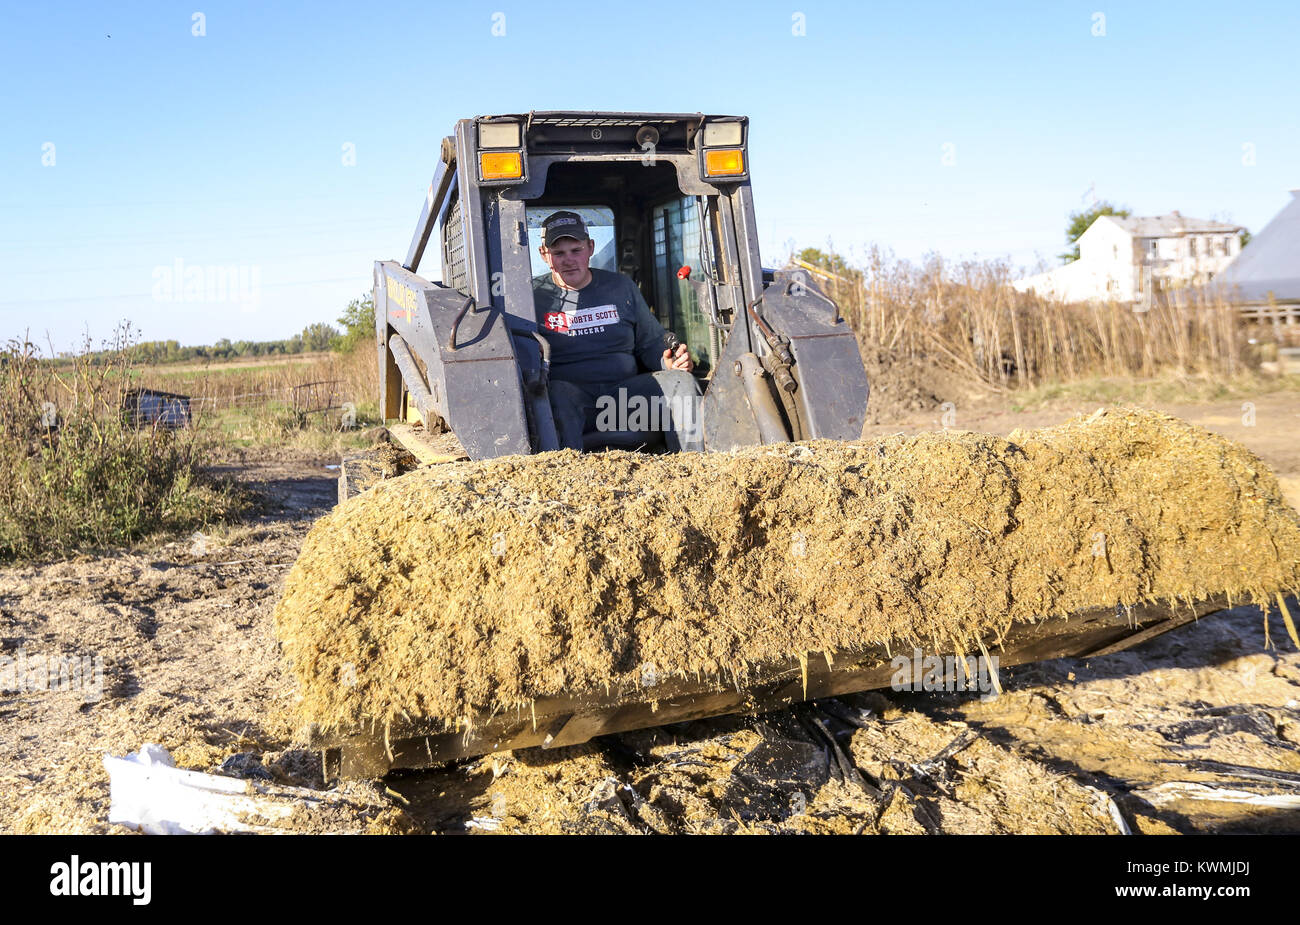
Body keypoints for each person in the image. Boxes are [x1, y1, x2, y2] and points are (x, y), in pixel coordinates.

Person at [532, 210, 701, 451]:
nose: (568, 260)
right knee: (557, 393)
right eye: (558, 253)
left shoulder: (621, 287)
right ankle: (567, 476)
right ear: (544, 255)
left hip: (624, 399)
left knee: (681, 382)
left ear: (590, 248)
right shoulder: (532, 298)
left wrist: (669, 362)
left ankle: (695, 471)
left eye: (576, 250)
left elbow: (651, 343)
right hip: (572, 403)